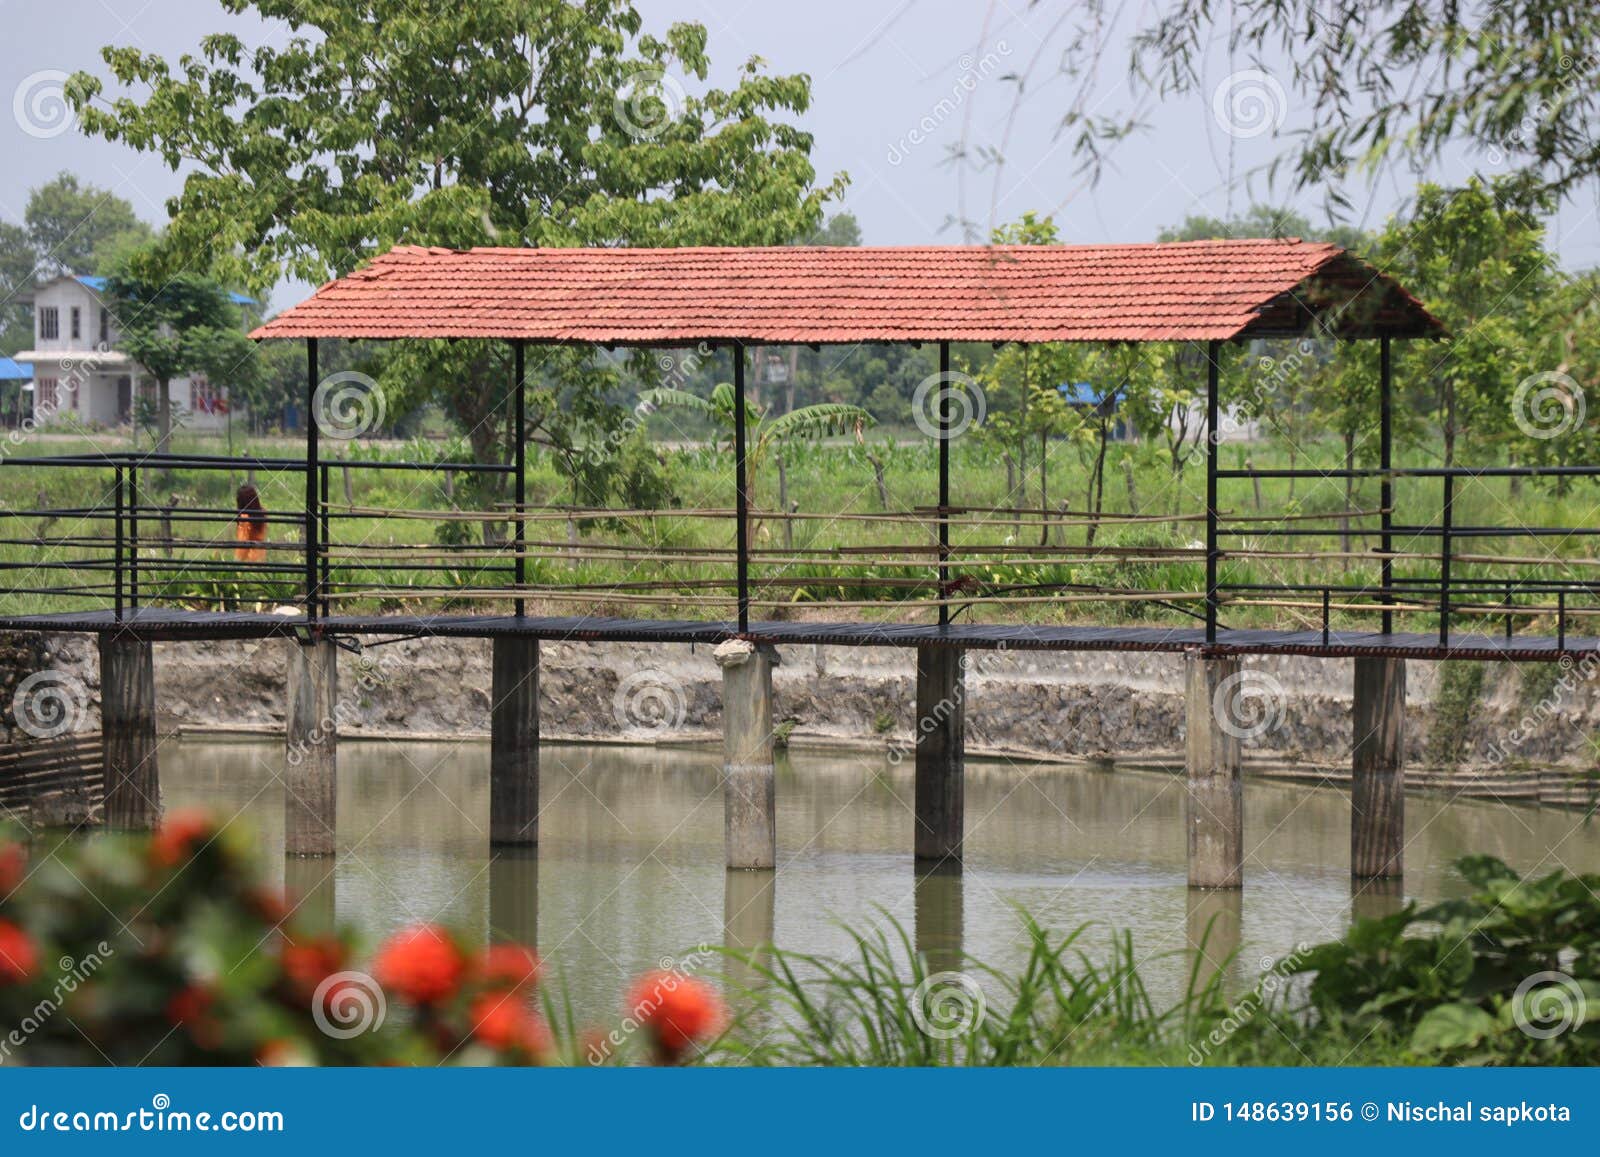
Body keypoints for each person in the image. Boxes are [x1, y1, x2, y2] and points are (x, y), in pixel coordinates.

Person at [235, 483, 267, 565]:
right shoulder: (262, 512)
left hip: (248, 558)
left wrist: (238, 561)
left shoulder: (244, 518)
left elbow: (243, 541)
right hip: (260, 554)